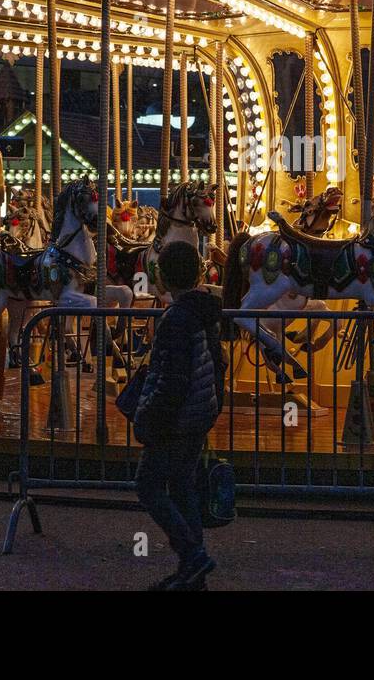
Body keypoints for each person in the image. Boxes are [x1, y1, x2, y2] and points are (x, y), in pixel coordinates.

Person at [133, 240, 226, 591]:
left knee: (148, 486)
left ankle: (192, 555)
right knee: (183, 487)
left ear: (163, 276)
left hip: (177, 420)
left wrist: (149, 418)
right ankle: (193, 574)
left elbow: (172, 379)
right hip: (198, 415)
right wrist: (213, 406)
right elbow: (217, 364)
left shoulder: (176, 319)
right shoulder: (203, 311)